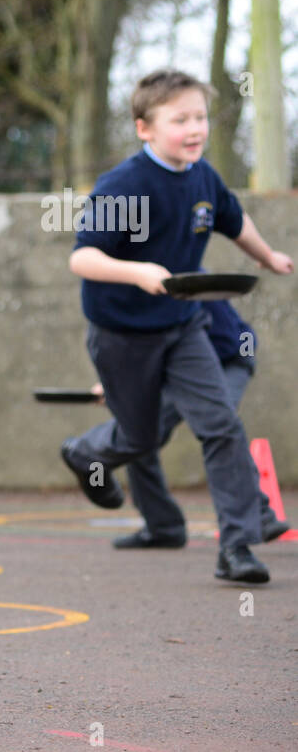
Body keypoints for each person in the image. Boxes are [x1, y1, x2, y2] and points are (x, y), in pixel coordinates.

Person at [62, 69, 293, 584]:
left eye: (201, 117)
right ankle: (85, 452)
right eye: (180, 119)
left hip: (184, 326)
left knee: (221, 425)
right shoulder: (124, 186)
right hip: (122, 334)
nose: (195, 128)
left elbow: (235, 222)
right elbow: (83, 259)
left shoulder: (204, 178)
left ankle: (238, 547)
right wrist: (136, 271)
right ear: (145, 128)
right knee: (141, 438)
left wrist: (267, 256)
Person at [85, 299, 289, 549]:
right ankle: (163, 526)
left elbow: (211, 346)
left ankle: (259, 516)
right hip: (180, 371)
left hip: (229, 361)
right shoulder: (140, 297)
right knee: (138, 434)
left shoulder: (184, 287)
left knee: (221, 427)